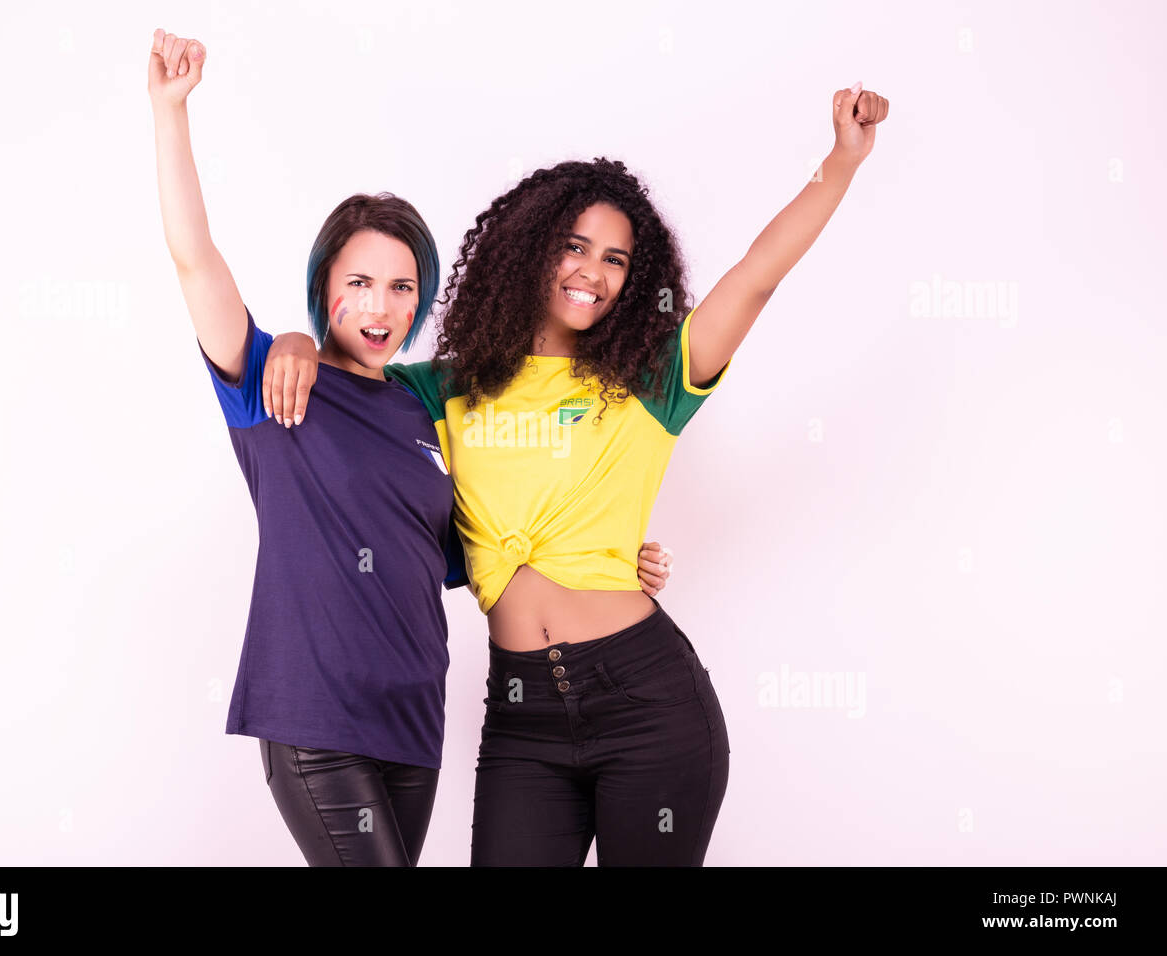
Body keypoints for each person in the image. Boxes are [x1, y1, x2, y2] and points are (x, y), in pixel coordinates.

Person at [261, 81, 889, 865]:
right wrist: (292, 338)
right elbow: (352, 370)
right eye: (574, 246)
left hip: (650, 705)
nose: (593, 271)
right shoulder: (443, 387)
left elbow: (757, 275)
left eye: (616, 259)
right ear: (530, 250)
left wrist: (841, 161)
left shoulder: (652, 377)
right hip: (522, 719)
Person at [148, 28, 675, 867]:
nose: (380, 305)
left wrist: (615, 555)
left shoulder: (418, 407)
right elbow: (193, 261)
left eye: (401, 287)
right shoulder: (271, 385)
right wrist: (170, 113)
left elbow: (484, 534)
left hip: (412, 722)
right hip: (317, 721)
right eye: (357, 282)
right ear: (324, 286)